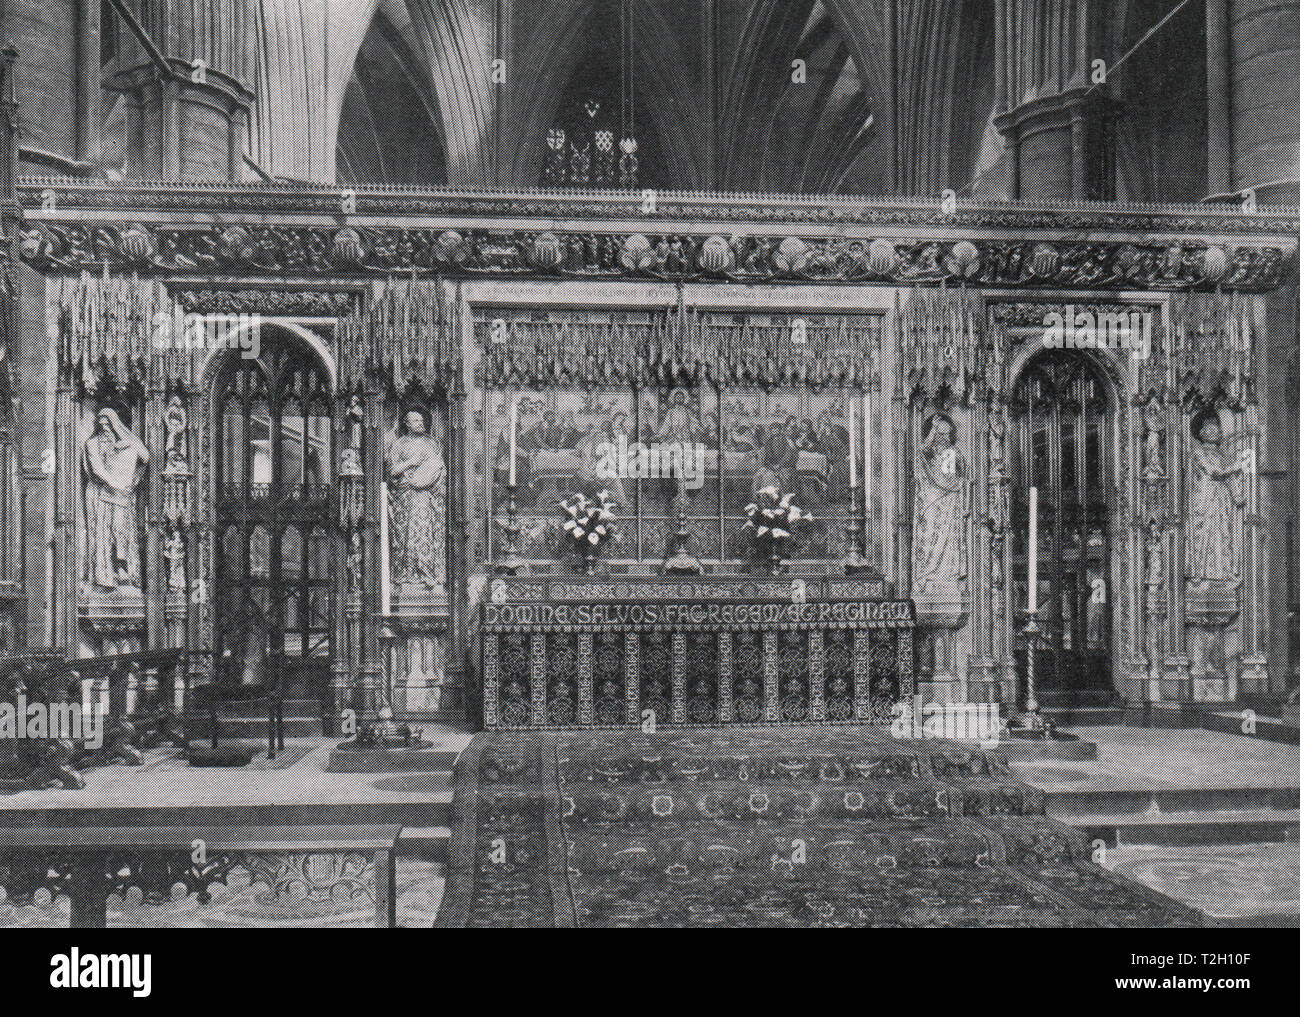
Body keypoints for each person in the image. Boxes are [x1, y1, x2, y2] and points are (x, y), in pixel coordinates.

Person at [83, 407, 150, 590]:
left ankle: (122, 567)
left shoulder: (123, 443)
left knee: (120, 529)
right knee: (104, 532)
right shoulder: (92, 444)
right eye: (101, 425)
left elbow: (145, 457)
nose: (105, 429)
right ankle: (104, 576)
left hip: (122, 495)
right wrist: (117, 485)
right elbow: (97, 469)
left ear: (115, 425)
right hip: (101, 494)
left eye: (108, 425)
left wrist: (128, 440)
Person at [388, 408, 445, 590]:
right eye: (416, 421)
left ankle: (427, 572)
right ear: (407, 423)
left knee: (424, 531)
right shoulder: (399, 444)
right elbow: (392, 471)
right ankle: (406, 573)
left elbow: (440, 467)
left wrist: (430, 479)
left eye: (422, 420)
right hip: (404, 497)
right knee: (406, 535)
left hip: (425, 495)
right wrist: (410, 463)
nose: (420, 424)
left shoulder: (432, 443)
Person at [913, 414, 965, 592]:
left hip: (950, 500)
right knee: (930, 536)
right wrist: (933, 428)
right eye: (939, 434)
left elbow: (960, 475)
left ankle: (947, 576)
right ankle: (926, 573)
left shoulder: (952, 452)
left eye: (947, 434)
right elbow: (921, 451)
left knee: (948, 539)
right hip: (931, 500)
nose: (944, 438)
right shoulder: (929, 451)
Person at [1187, 415, 1243, 582]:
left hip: (1221, 497)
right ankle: (1199, 572)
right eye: (1209, 428)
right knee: (1203, 531)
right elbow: (1213, 471)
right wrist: (1237, 467)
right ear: (1201, 433)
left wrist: (1236, 494)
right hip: (1204, 496)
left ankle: (1224, 572)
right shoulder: (1198, 452)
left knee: (1223, 532)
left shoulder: (1223, 455)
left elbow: (1230, 478)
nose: (1214, 431)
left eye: (1216, 428)